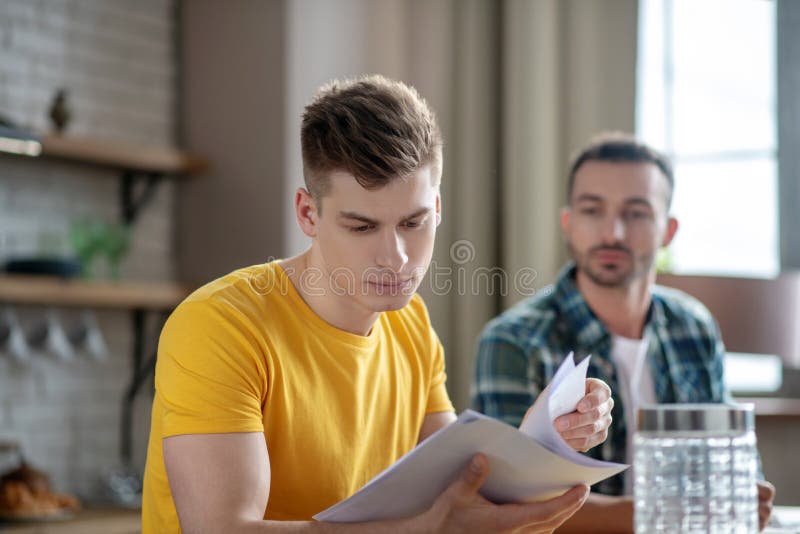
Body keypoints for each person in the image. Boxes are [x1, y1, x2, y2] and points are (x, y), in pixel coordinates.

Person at [141, 75, 616, 533]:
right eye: (362, 227)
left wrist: (543, 440)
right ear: (309, 213)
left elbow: (459, 491)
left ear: (439, 209)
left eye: (414, 223)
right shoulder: (220, 326)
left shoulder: (411, 325)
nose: (396, 258)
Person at [472, 132, 776, 532]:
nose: (613, 232)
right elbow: (509, 502)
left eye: (635, 213)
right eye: (592, 210)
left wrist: (744, 495)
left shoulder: (693, 327)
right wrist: (675, 512)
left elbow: (732, 462)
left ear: (668, 230)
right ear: (568, 223)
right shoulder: (513, 340)